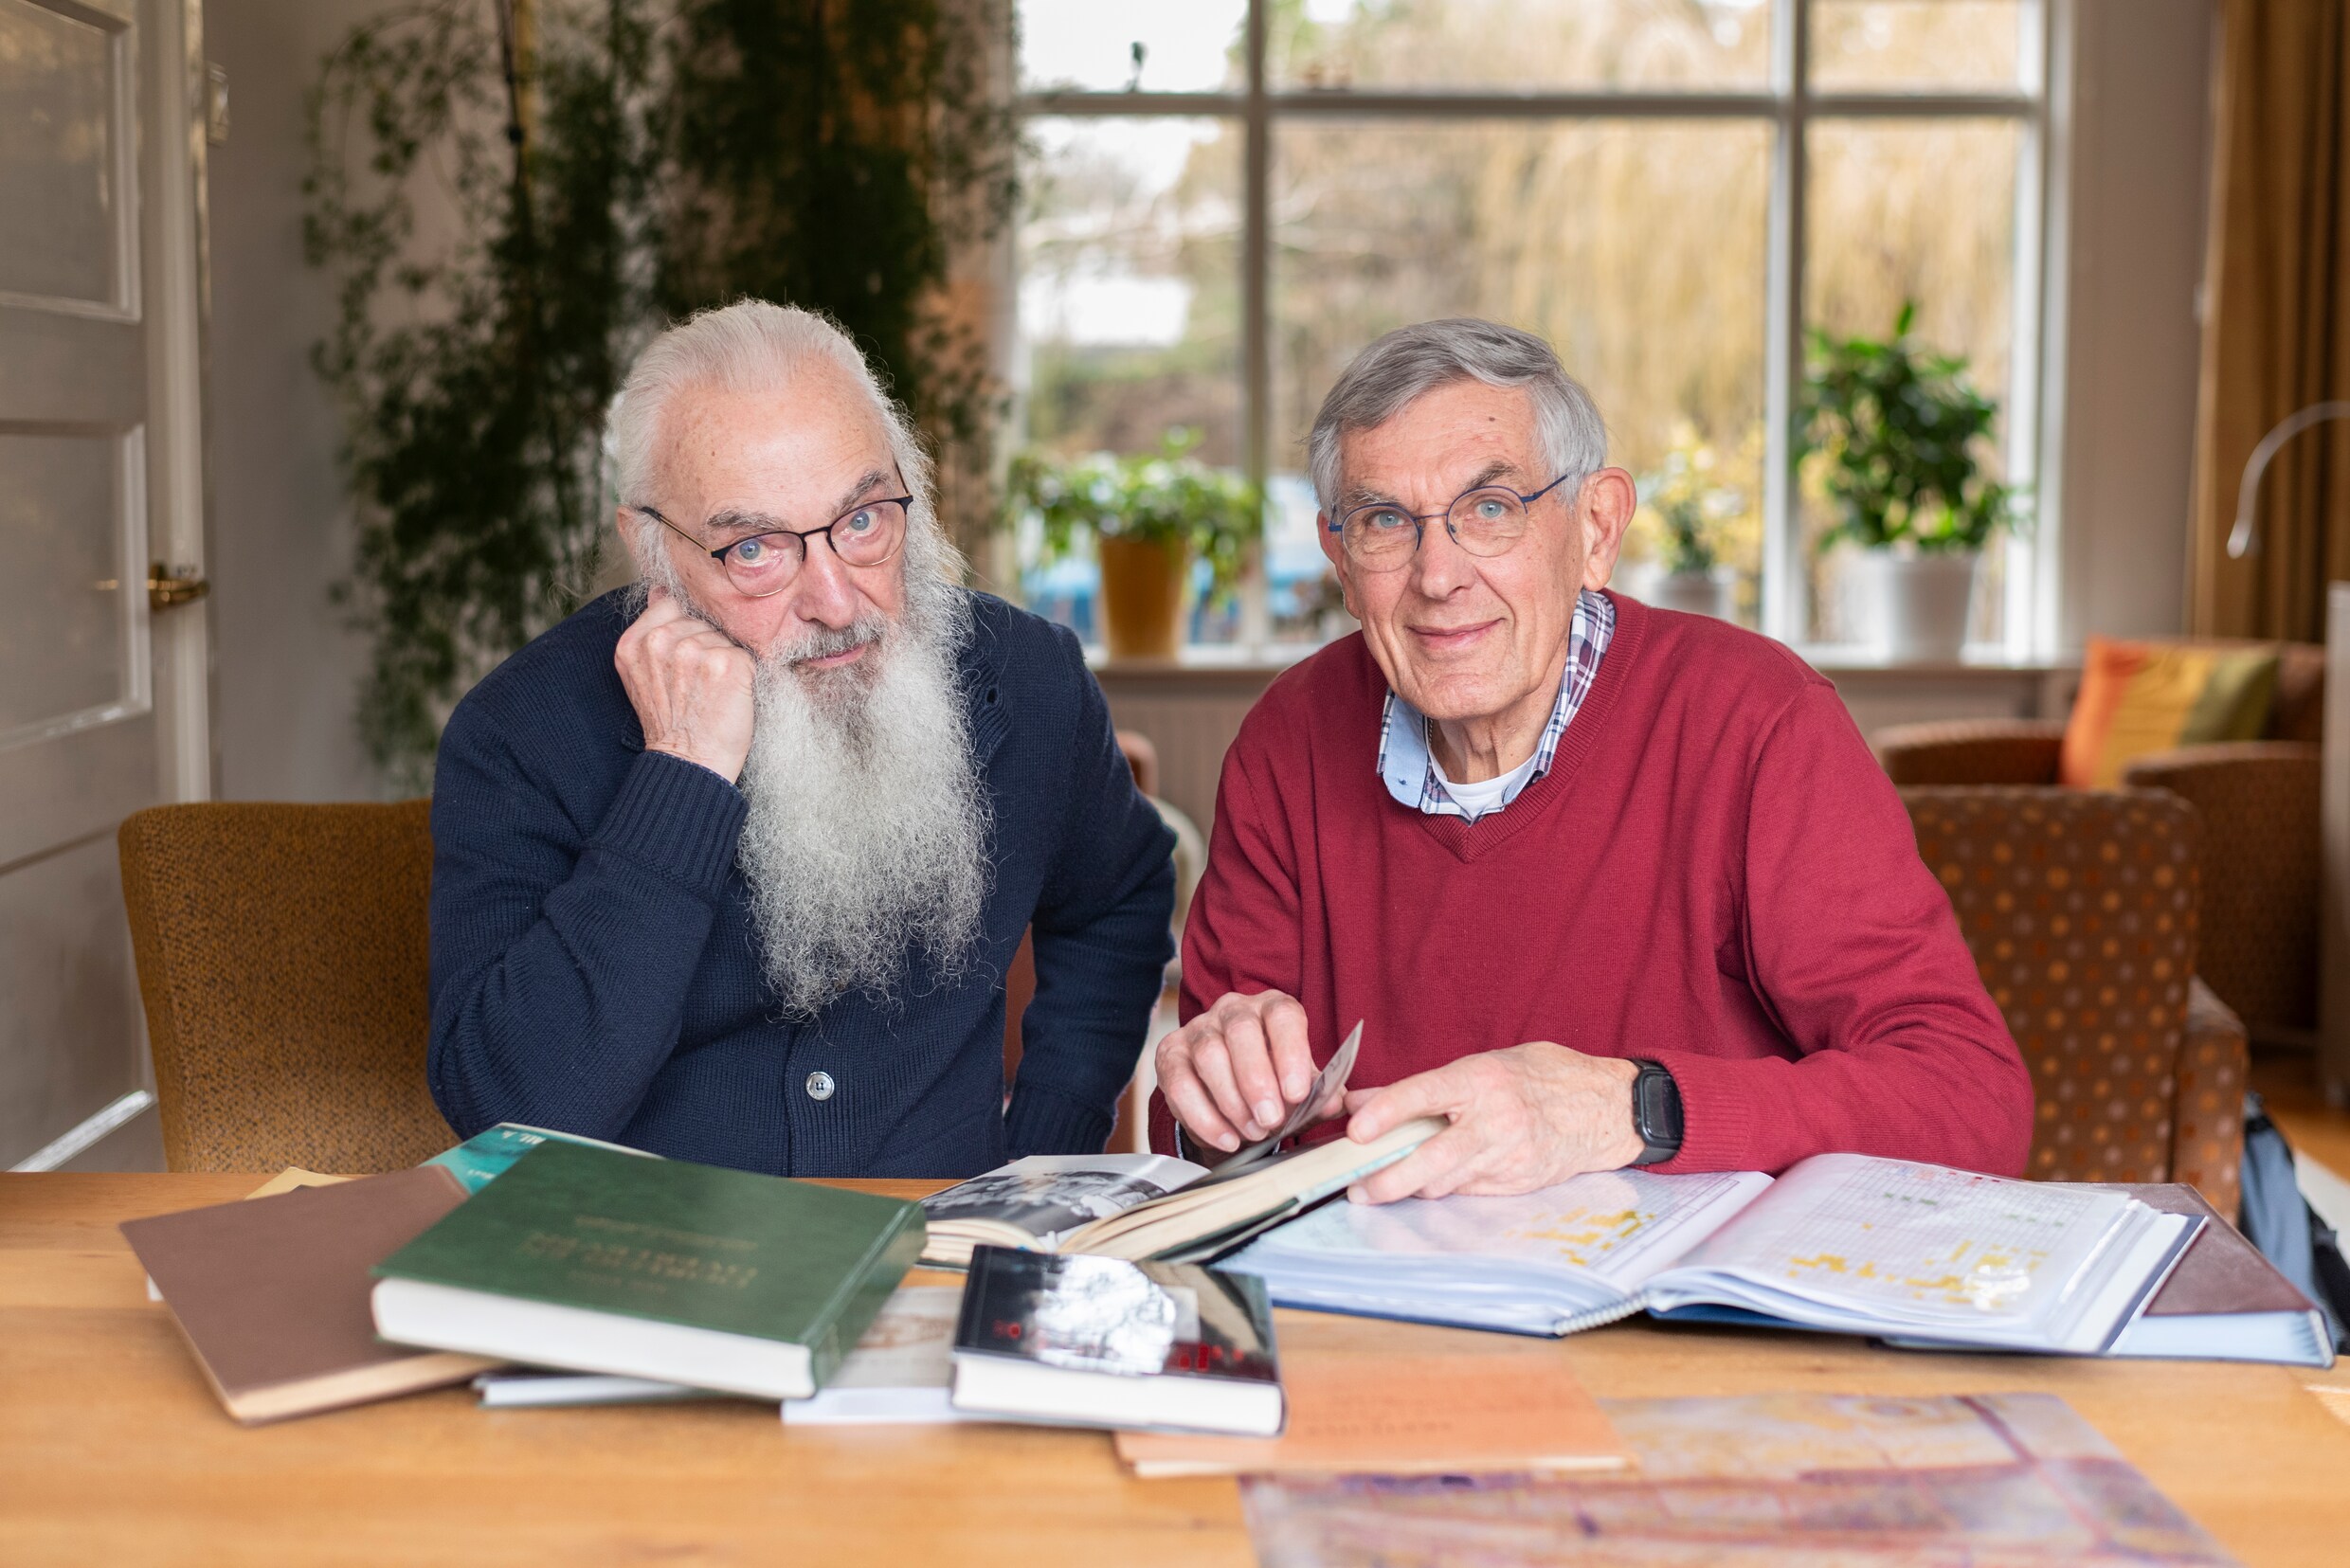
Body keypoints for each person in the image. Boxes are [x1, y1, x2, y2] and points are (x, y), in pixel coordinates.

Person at [1151, 318, 2032, 1200]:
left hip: (1669, 1325)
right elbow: (1197, 1145)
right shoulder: (1286, 744)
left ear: (1598, 528)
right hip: (1380, 1319)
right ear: (1341, 560)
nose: (1437, 575)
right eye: (1387, 521)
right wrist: (1215, 1104)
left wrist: (1634, 1109)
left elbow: (1970, 1100)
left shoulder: (1759, 723)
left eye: (1489, 510)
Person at [428, 300, 1175, 1177]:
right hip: (645, 1274)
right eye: (755, 549)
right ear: (652, 550)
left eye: (862, 521)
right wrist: (682, 771)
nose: (835, 600)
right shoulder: (516, 733)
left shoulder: (1031, 676)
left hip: (938, 1265)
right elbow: (507, 1113)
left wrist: (1046, 1143)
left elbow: (1119, 899)